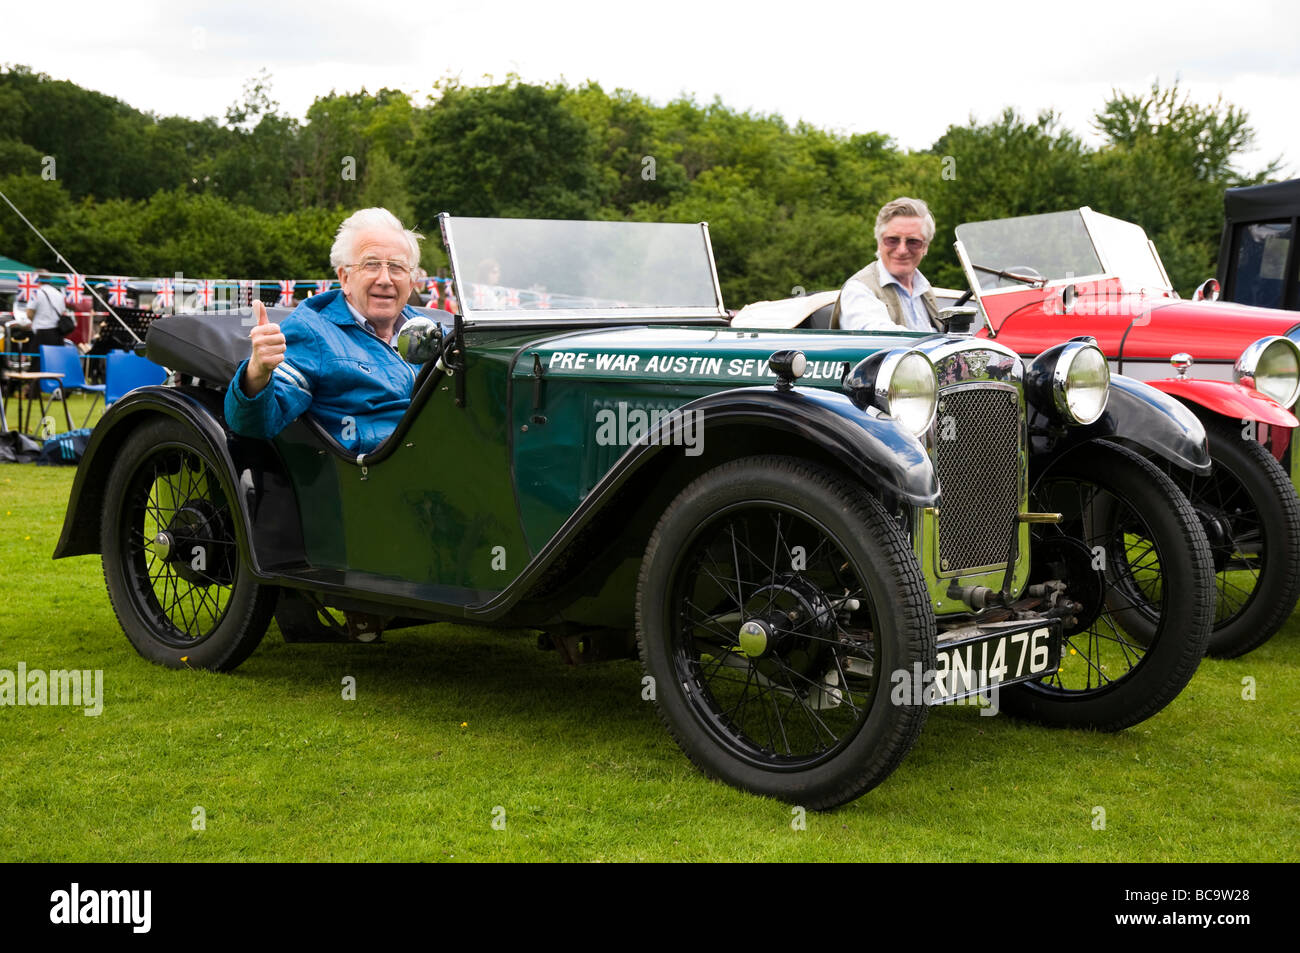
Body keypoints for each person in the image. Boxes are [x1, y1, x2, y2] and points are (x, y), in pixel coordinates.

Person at [224, 207, 423, 455]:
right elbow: (254, 425)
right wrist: (258, 371)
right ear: (345, 278)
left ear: (412, 281)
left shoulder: (430, 328)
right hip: (375, 471)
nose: (385, 279)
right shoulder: (311, 331)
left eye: (396, 267)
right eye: (371, 265)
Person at [831, 197, 940, 332]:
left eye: (913, 242)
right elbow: (878, 336)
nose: (902, 250)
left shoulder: (924, 289)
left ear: (925, 247)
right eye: (892, 240)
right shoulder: (859, 289)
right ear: (879, 243)